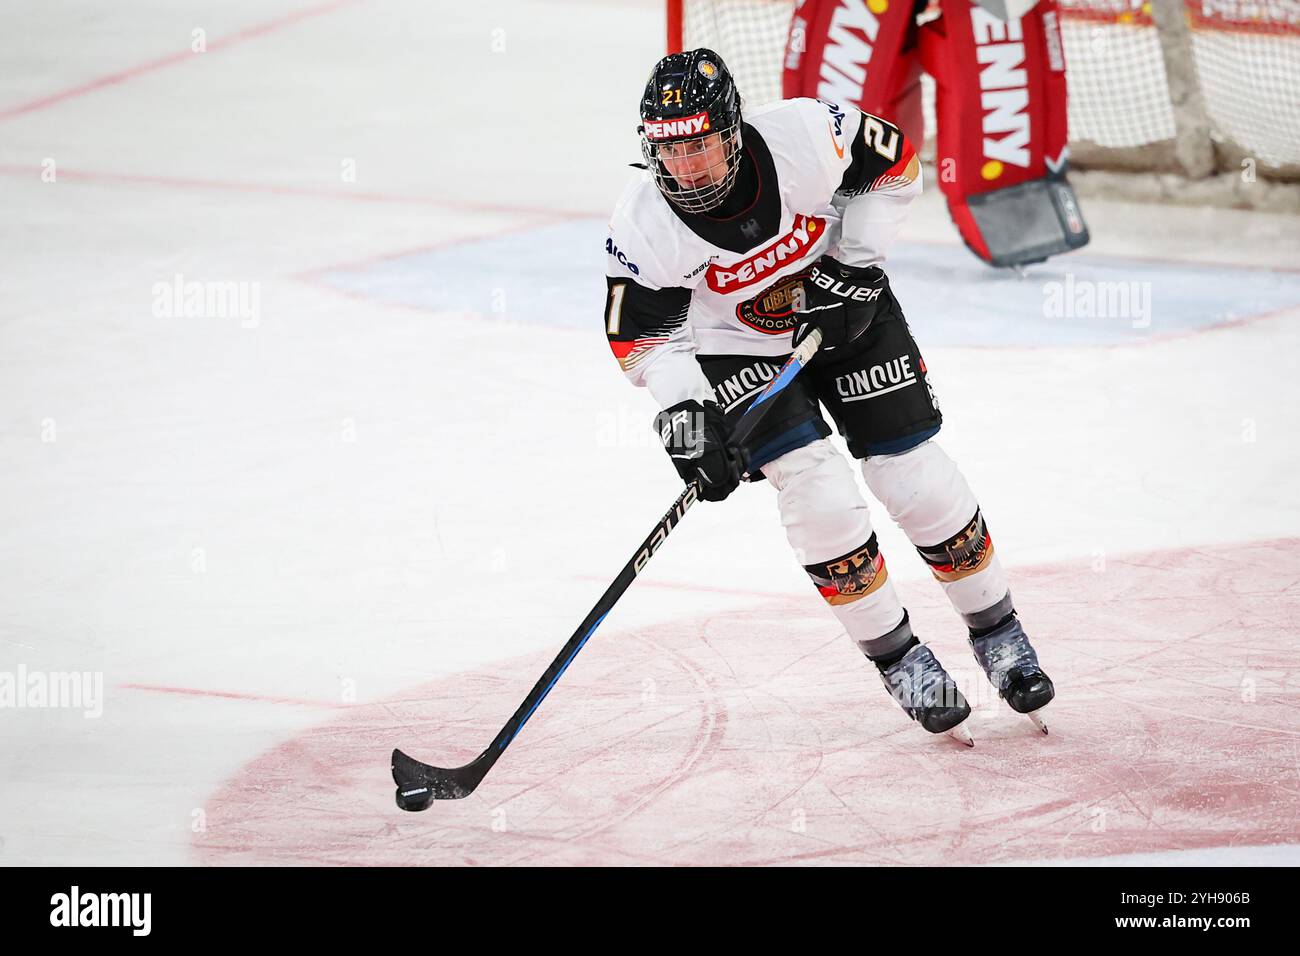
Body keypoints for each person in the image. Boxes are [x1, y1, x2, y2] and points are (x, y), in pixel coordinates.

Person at [602, 49, 1054, 742]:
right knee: (817, 494)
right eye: (671, 151)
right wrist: (687, 416)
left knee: (914, 476)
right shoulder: (642, 225)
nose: (687, 168)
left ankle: (999, 632)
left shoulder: (806, 135)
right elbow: (647, 339)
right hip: (740, 346)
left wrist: (855, 264)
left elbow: (897, 163)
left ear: (734, 131)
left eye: (701, 145)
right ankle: (900, 659)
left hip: (849, 307)